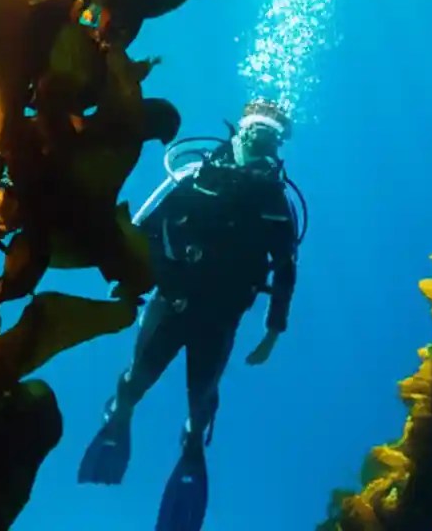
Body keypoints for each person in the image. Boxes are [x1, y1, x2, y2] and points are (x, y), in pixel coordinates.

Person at [78, 98, 305, 531]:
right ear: (237, 135)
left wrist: (274, 330)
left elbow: (287, 269)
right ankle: (119, 418)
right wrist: (133, 278)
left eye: (270, 142)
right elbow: (141, 228)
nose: (261, 149)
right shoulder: (193, 175)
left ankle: (192, 446)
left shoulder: (277, 204)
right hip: (172, 303)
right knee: (138, 377)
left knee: (201, 399)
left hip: (220, 319)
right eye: (255, 137)